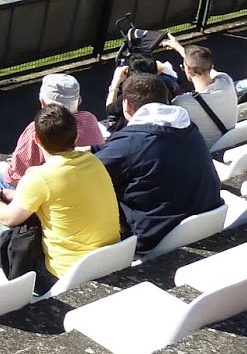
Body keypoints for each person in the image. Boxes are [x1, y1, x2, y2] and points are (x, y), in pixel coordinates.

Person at [0, 105, 120, 292]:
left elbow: (9, 218)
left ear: (36, 139)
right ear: (76, 137)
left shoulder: (40, 176)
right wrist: (3, 194)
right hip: (105, 262)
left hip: (59, 275)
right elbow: (52, 199)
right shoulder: (94, 161)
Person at [95, 73, 222, 252]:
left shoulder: (131, 145)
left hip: (157, 240)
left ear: (127, 105)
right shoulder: (188, 126)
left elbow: (89, 173)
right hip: (204, 222)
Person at [0, 72, 108, 193]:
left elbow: (15, 177)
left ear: (42, 102)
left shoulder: (37, 129)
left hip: (49, 191)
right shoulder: (90, 119)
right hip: (83, 186)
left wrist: (14, 163)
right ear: (79, 100)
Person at [163, 34, 238, 147]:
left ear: (188, 70)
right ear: (211, 66)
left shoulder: (182, 103)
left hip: (208, 155)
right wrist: (178, 48)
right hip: (232, 144)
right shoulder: (226, 81)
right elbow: (201, 65)